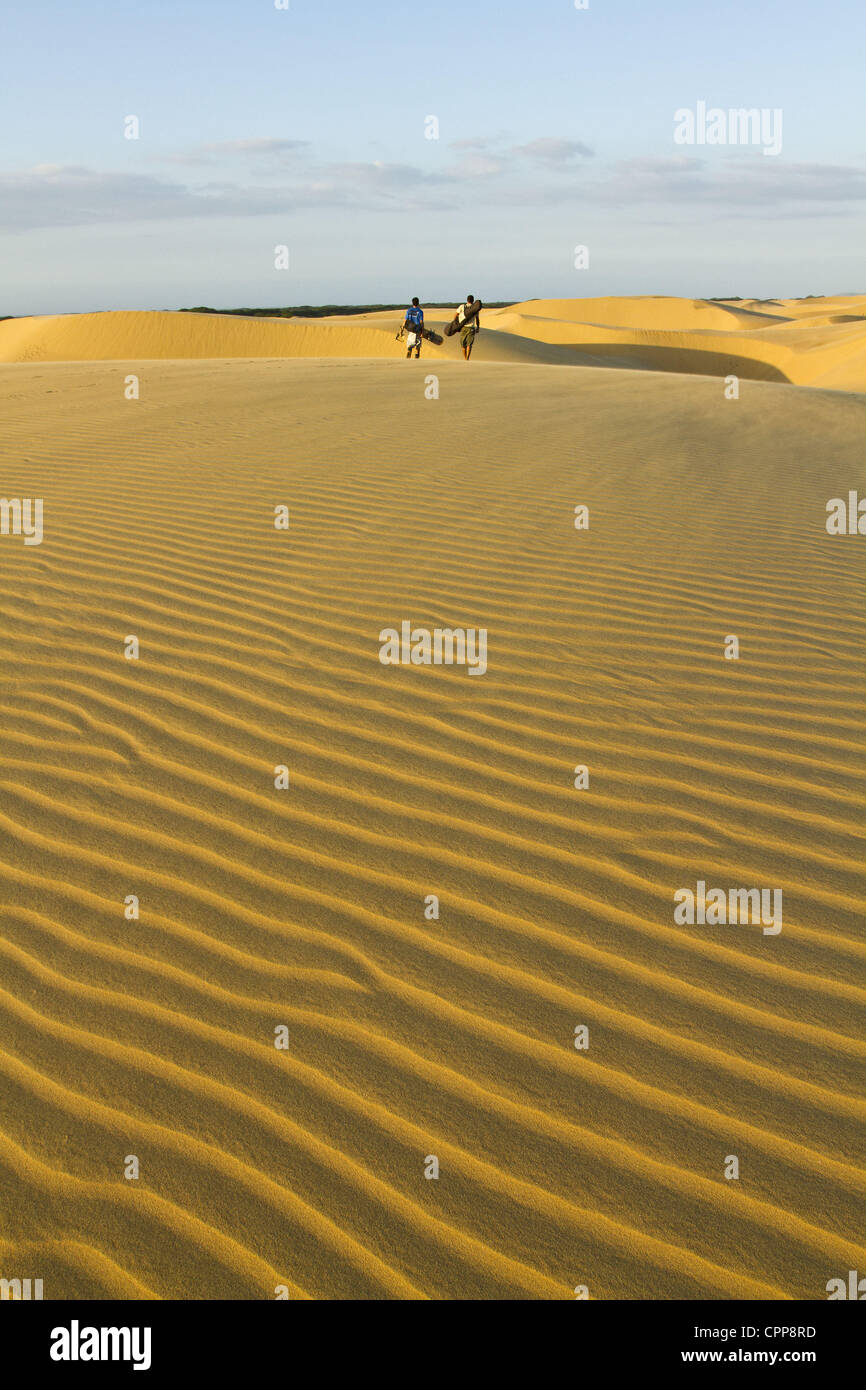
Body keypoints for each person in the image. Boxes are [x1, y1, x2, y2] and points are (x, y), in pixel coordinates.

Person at [453, 294, 481, 359]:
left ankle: (465, 357)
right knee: (469, 344)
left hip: (463, 327)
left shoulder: (462, 306)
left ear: (467, 300)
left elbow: (455, 315)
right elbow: (477, 319)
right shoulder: (475, 308)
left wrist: (456, 325)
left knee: (463, 344)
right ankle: (467, 358)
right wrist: (478, 327)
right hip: (471, 328)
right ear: (473, 301)